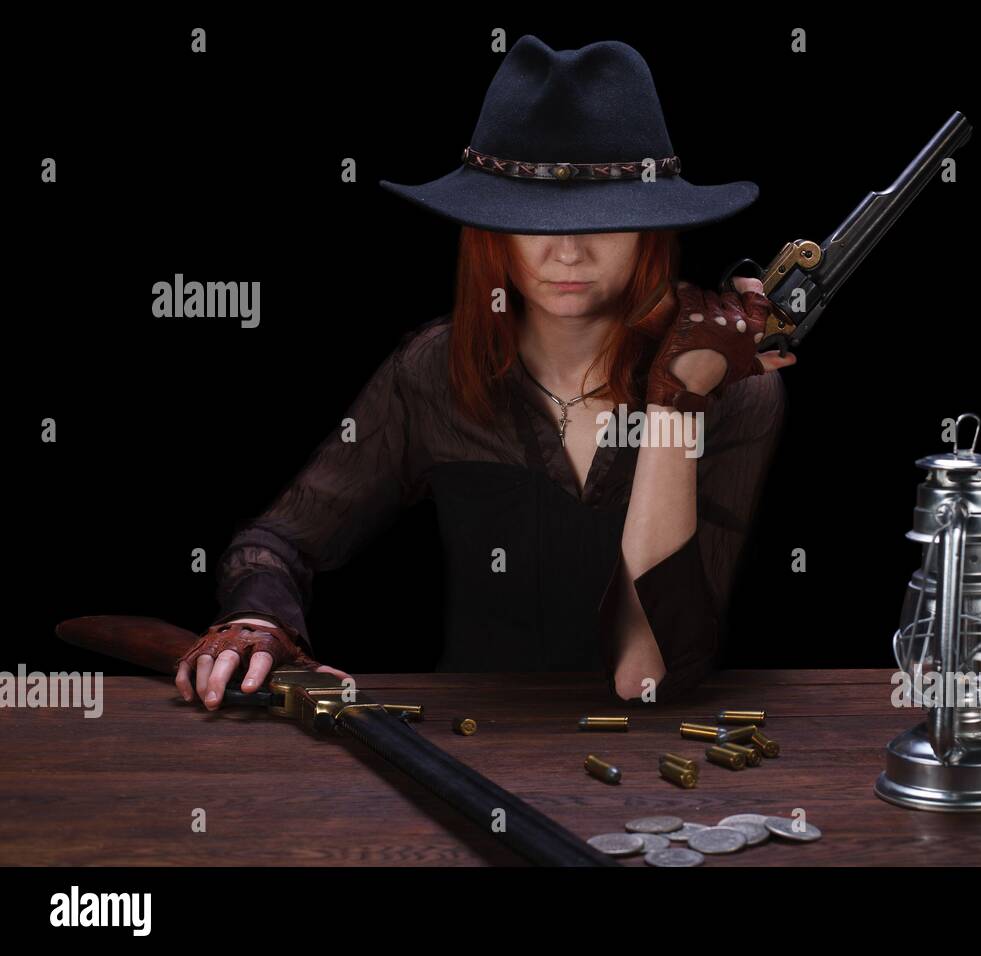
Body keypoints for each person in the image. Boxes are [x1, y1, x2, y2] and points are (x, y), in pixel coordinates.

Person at [174, 35, 794, 710]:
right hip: (464, 744)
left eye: (607, 221)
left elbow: (644, 678)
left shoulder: (739, 392)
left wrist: (678, 403)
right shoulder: (431, 371)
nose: (568, 253)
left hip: (661, 768)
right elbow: (278, 540)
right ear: (490, 232)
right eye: (534, 221)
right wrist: (258, 620)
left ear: (653, 230)